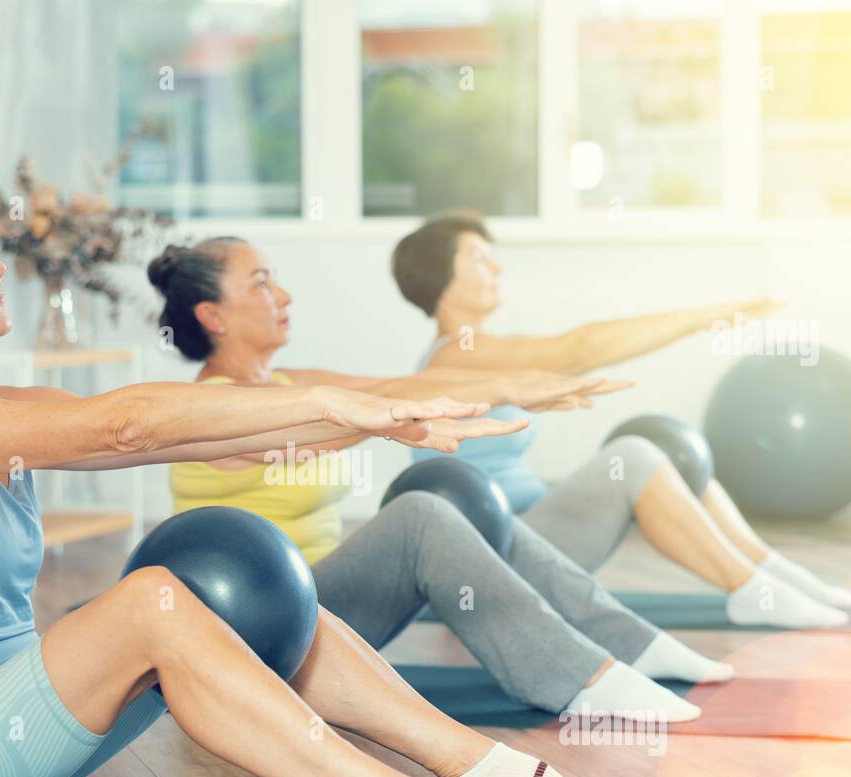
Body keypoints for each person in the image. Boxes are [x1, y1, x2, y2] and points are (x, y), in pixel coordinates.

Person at [0, 172, 644, 777]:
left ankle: (484, 770)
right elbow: (125, 427)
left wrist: (378, 419)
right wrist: (329, 406)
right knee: (153, 603)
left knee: (262, 594)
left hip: (9, 728)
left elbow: (205, 427)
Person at [154, 236, 736, 731]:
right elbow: (348, 417)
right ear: (213, 315)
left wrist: (511, 382)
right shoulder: (208, 408)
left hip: (325, 614)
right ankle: (578, 679)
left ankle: (630, 644)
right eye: (260, 283)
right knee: (420, 516)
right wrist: (414, 410)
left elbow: (395, 385)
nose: (282, 295)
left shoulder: (285, 381)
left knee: (436, 493)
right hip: (265, 631)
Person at [388, 211, 851, 629]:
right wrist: (704, 318)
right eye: (479, 259)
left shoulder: (481, 350)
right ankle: (750, 591)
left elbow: (570, 352)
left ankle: (771, 571)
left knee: (663, 447)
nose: (498, 268)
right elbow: (580, 350)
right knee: (634, 455)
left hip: (539, 524)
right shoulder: (455, 356)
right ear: (440, 275)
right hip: (507, 550)